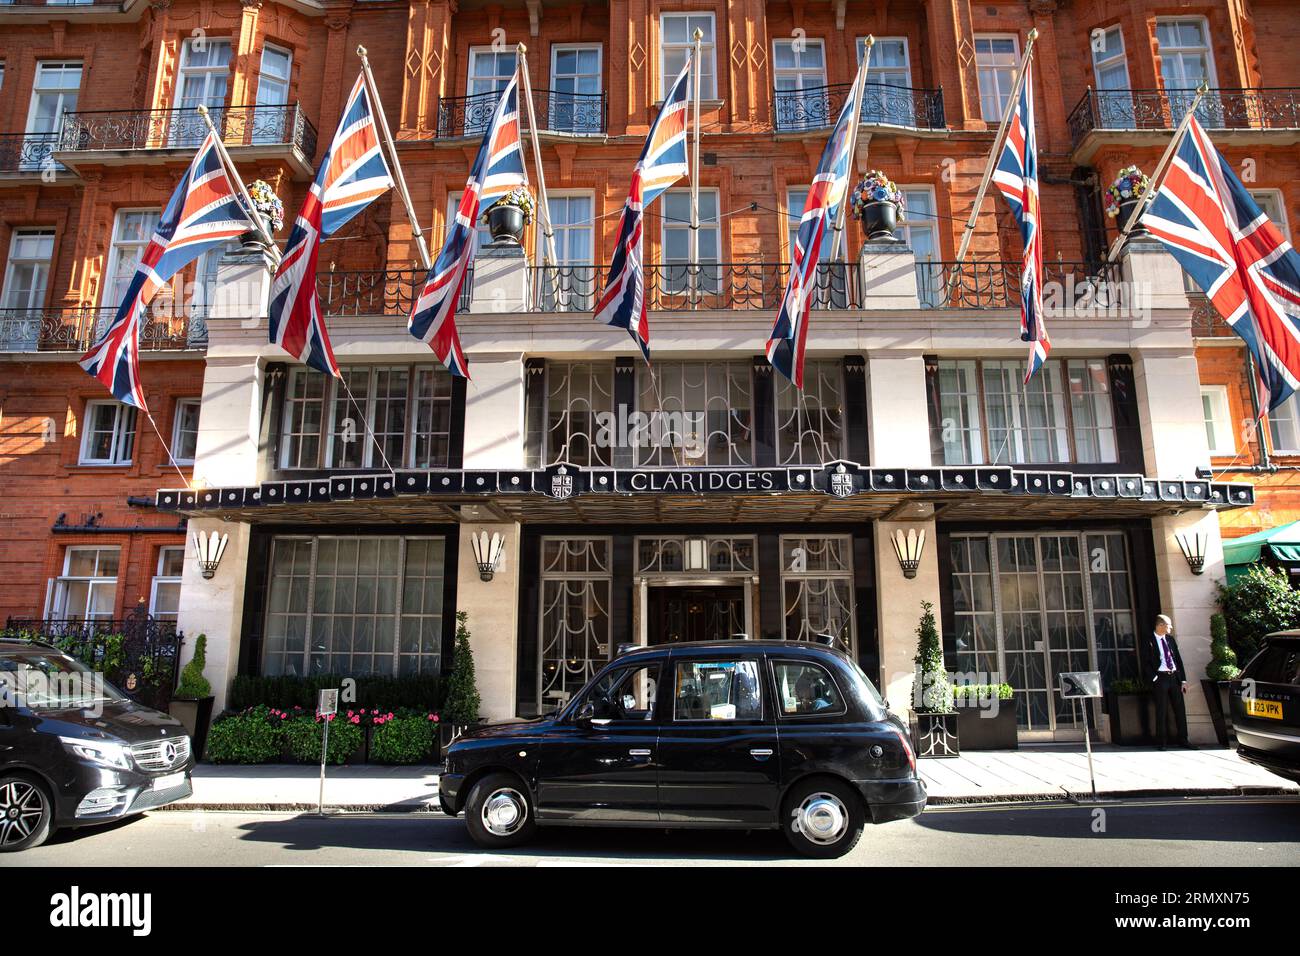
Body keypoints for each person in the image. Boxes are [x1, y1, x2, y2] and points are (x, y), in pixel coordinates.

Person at [1144, 614, 1191, 750]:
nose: (1171, 627)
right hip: (1161, 678)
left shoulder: (1170, 640)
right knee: (1161, 710)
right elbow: (1145, 662)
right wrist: (1155, 678)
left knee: (1180, 709)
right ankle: (1162, 742)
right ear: (1160, 626)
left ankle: (1184, 739)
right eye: (1168, 625)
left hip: (1174, 678)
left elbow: (1178, 660)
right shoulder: (1149, 641)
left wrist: (1183, 680)